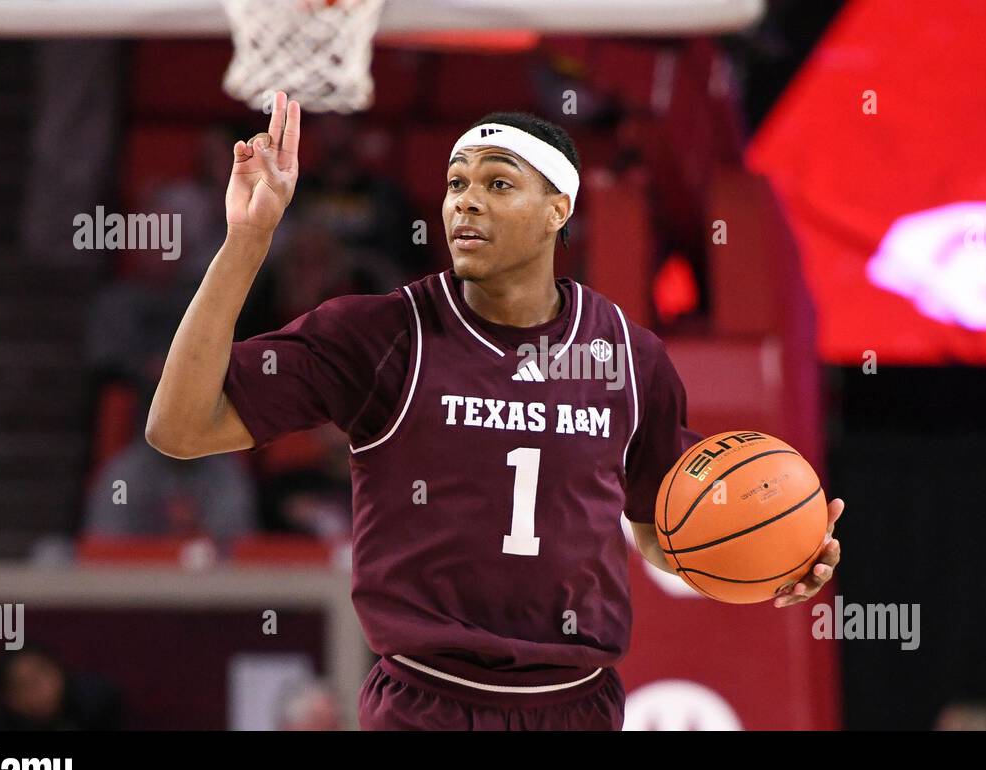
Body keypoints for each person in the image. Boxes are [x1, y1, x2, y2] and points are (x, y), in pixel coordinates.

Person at [146, 92, 845, 730]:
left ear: (557, 209)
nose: (466, 202)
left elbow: (662, 531)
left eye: (498, 183)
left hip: (577, 703)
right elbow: (178, 427)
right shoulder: (385, 334)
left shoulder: (629, 357)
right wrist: (246, 242)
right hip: (425, 701)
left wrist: (770, 553)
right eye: (456, 184)